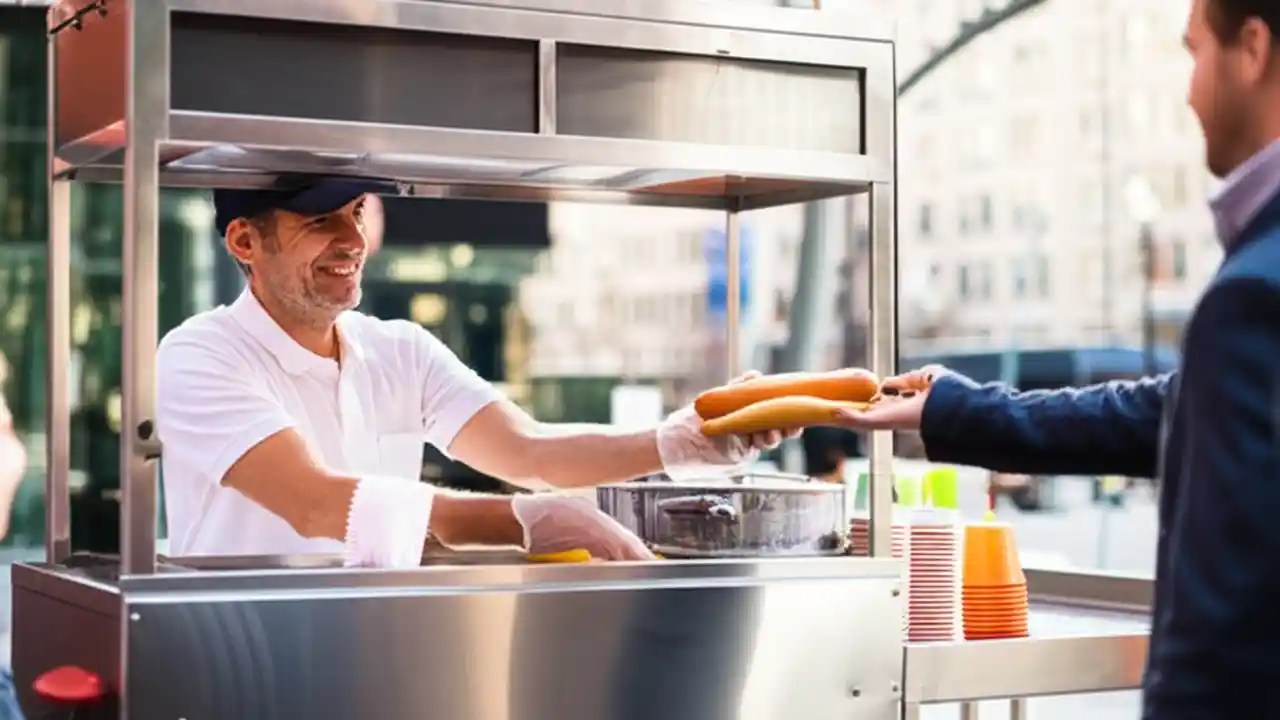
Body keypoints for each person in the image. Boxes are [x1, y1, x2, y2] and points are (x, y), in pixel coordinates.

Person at [835, 2, 1280, 717]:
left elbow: (1227, 629)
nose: (1190, 93)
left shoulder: (1256, 291)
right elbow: (1164, 412)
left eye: (1195, 53)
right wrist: (954, 407)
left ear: (1253, 49)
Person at [155, 178, 790, 567]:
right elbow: (315, 502)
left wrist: (677, 443)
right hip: (237, 647)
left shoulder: (398, 349)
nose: (352, 240)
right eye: (321, 221)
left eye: (355, 212)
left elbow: (528, 451)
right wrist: (520, 522)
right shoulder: (201, 355)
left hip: (376, 640)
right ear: (244, 242)